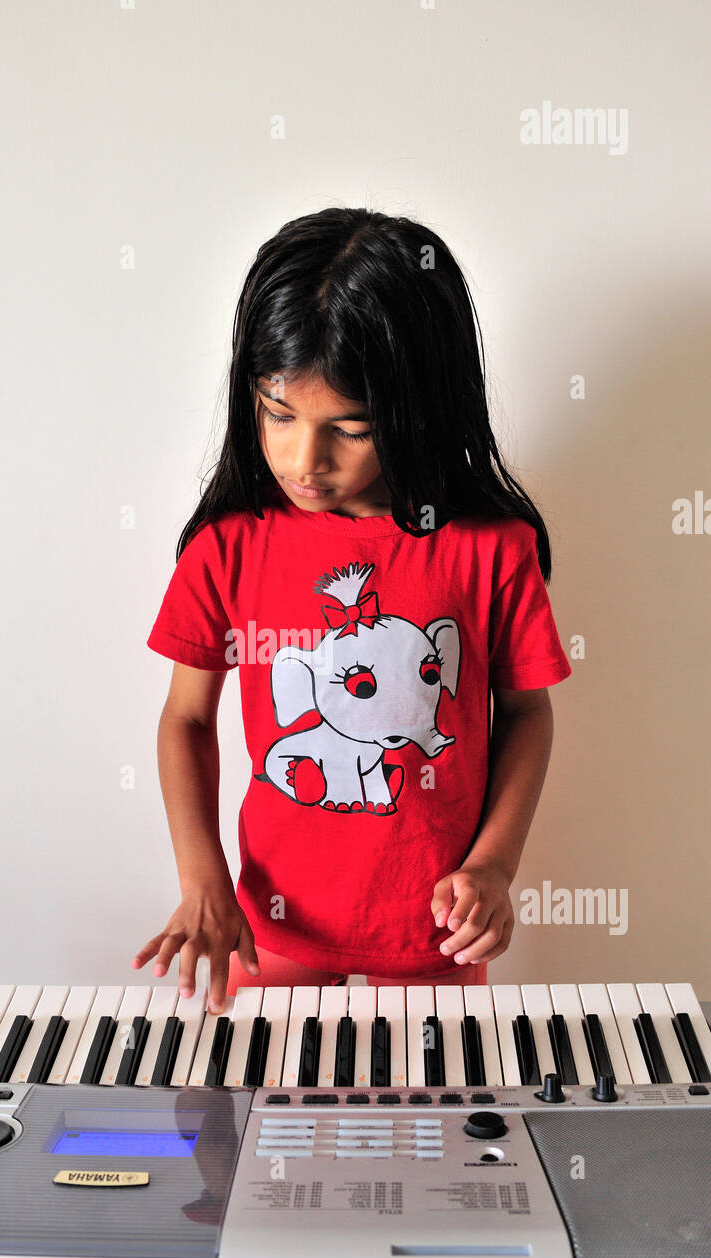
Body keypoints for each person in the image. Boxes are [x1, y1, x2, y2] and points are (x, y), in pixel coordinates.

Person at [134, 207, 571, 1014]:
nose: (306, 459)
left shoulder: (488, 549)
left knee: (440, 1139)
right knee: (264, 1131)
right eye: (278, 414)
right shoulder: (228, 546)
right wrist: (204, 881)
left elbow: (525, 716)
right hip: (270, 927)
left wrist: (496, 867)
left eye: (350, 427)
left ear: (419, 407)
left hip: (438, 934)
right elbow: (186, 720)